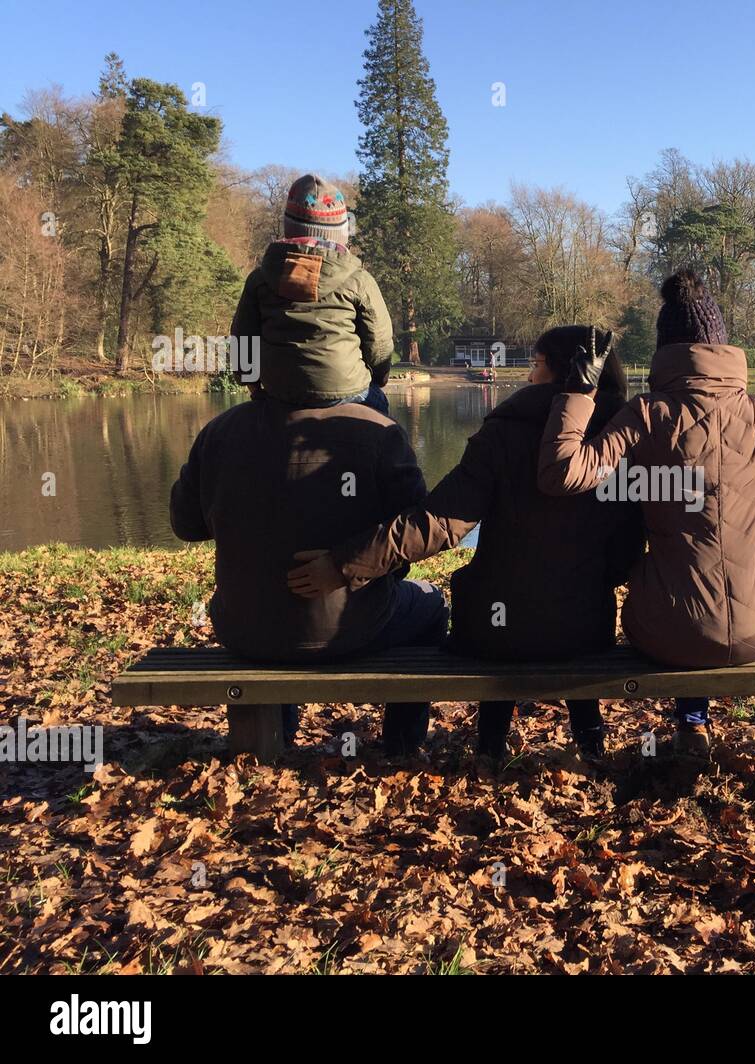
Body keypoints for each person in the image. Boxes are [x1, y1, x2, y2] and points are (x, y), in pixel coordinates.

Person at [536, 270, 755, 761]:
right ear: (725, 349)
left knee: (668, 583)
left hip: (669, 630)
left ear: (666, 349)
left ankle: (692, 724)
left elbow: (562, 474)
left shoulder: (647, 413)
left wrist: (580, 391)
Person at [286, 325, 644, 775]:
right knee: (563, 612)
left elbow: (438, 523)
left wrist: (344, 564)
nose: (528, 376)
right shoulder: (620, 444)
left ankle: (490, 749)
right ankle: (592, 749)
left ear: (559, 373)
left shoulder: (505, 433)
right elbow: (625, 553)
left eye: (535, 364)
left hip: (496, 630)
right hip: (586, 630)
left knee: (503, 604)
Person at [170, 393, 444, 755]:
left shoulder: (221, 429)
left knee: (277, 608)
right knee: (432, 604)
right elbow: (414, 527)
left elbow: (186, 525)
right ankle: (403, 743)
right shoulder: (379, 430)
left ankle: (279, 735)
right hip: (352, 629)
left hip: (243, 629)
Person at [231, 173, 393, 415]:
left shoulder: (260, 279)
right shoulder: (359, 280)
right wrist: (379, 377)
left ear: (290, 228)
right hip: (347, 391)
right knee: (383, 415)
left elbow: (242, 337)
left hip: (279, 391)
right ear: (341, 232)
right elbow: (379, 342)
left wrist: (252, 384)